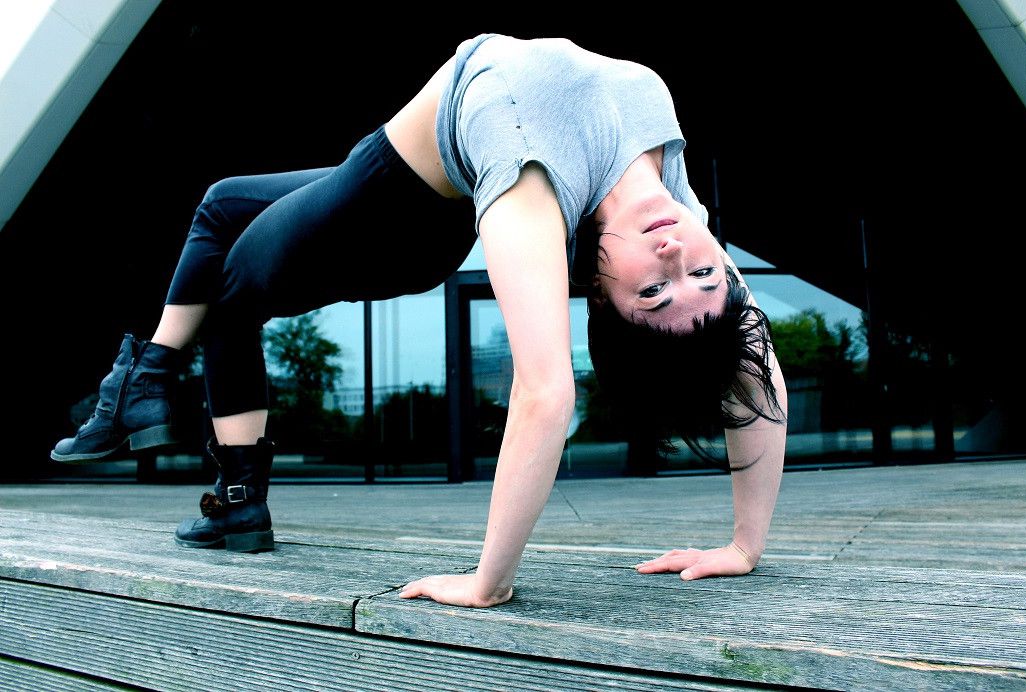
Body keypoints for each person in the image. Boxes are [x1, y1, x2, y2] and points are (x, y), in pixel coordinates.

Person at [51, 33, 788, 607]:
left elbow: (544, 393)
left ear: (600, 294)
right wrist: (744, 544)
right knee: (220, 203)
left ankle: (220, 479)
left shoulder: (532, 181)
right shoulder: (673, 194)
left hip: (385, 220)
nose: (674, 256)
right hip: (402, 181)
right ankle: (149, 387)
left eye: (653, 294)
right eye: (700, 277)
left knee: (229, 288)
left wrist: (488, 581)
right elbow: (751, 360)